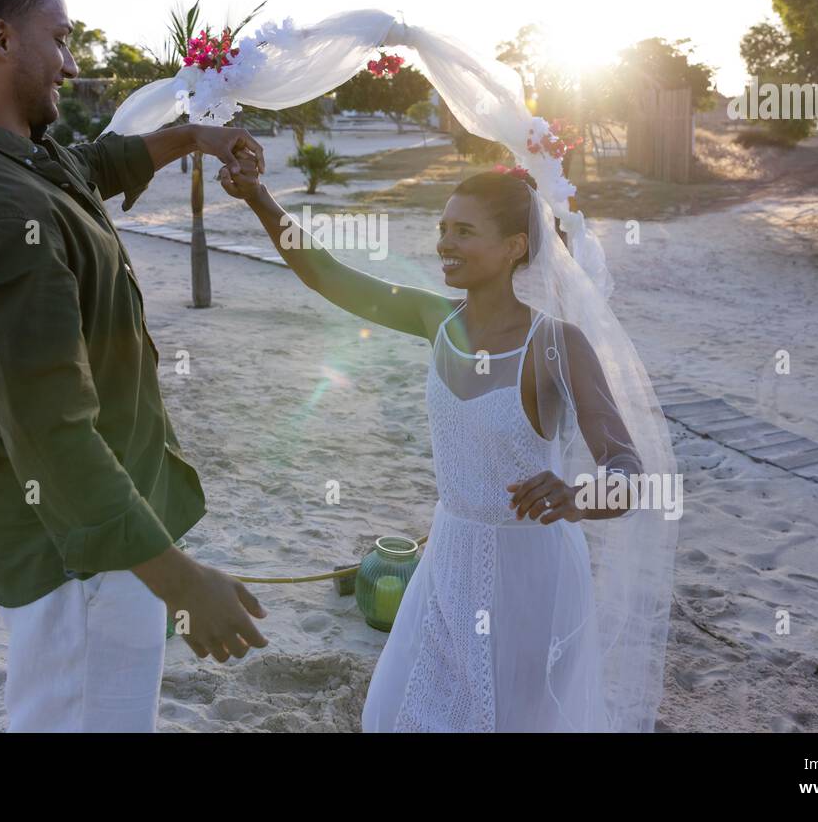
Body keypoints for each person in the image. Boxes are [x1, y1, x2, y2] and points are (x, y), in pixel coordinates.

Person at [0, 0, 269, 732]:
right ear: (1, 40)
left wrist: (196, 138)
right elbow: (53, 436)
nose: (71, 66)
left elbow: (93, 164)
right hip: (86, 562)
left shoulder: (16, 165)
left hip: (104, 538)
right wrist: (180, 580)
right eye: (61, 40)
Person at [220, 162, 648, 731]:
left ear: (515, 246)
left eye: (464, 232)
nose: (445, 242)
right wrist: (256, 196)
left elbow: (628, 471)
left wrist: (578, 495)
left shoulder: (556, 345)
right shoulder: (434, 318)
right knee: (401, 710)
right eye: (443, 227)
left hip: (532, 574)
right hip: (448, 556)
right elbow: (324, 273)